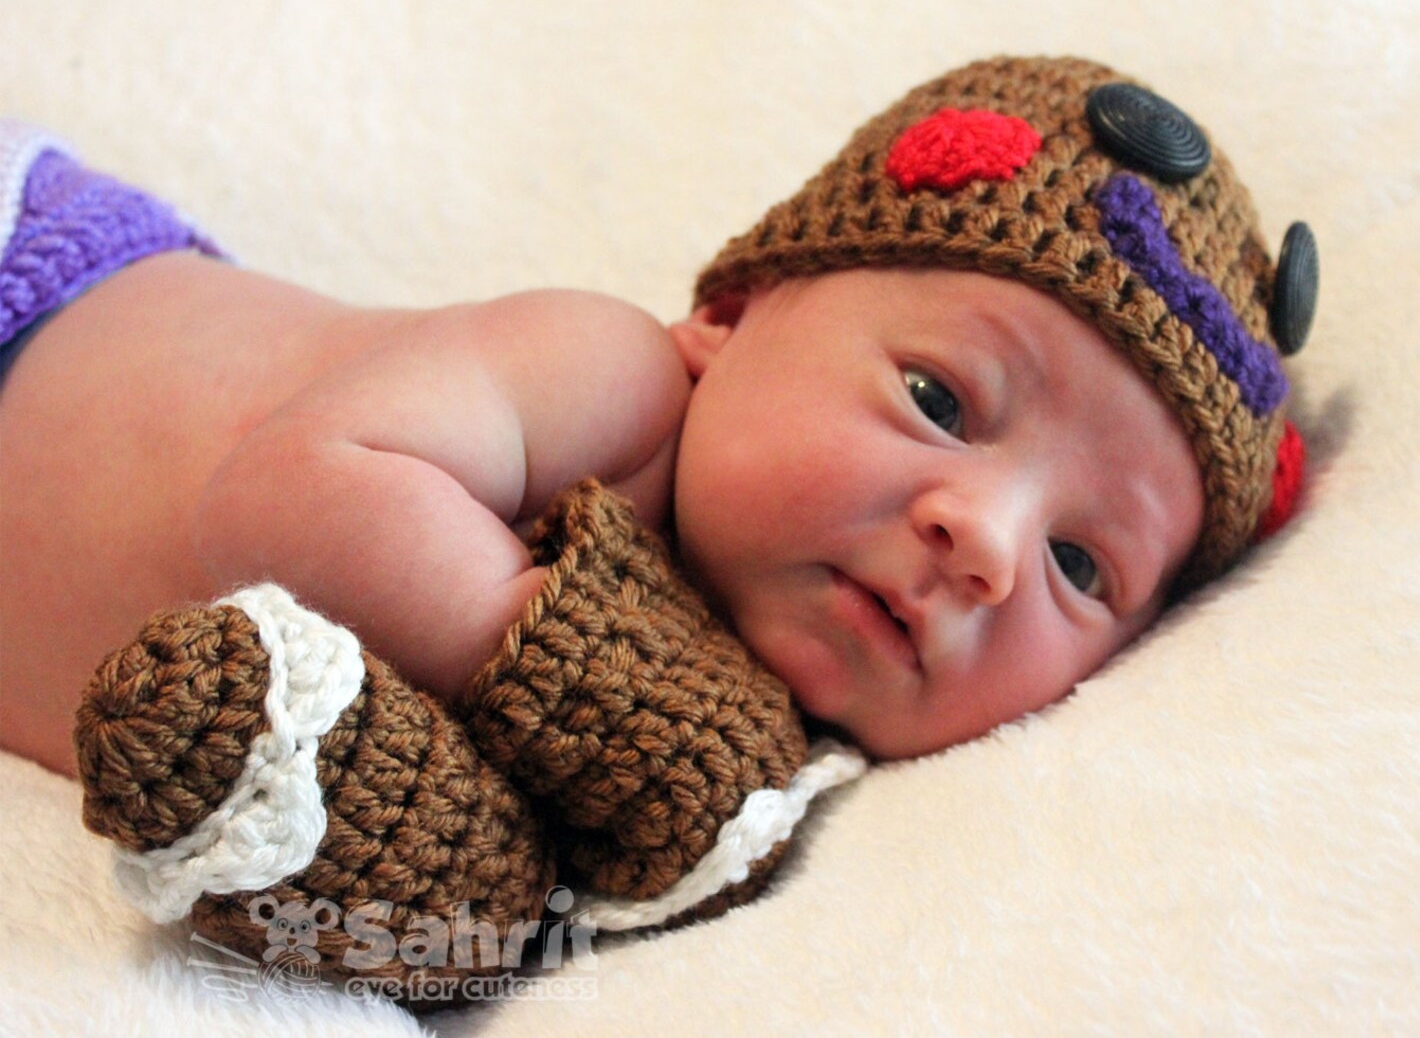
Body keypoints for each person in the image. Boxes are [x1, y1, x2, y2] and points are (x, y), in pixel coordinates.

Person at [0, 55, 1315, 778]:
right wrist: (582, 685)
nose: (986, 541)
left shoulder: (759, 776)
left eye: (1080, 565)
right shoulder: (610, 388)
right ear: (729, 322)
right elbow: (280, 495)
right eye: (936, 400)